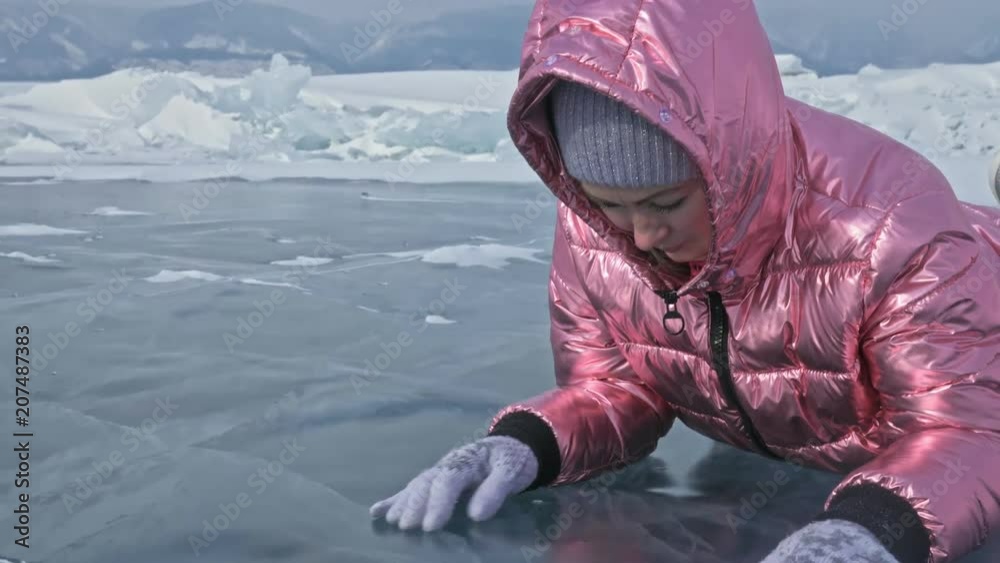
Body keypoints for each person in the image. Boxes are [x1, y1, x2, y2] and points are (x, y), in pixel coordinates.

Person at [370, 0, 1000, 562]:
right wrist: (524, 443)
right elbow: (617, 386)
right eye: (609, 204)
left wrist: (869, 532)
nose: (639, 237)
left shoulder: (892, 226)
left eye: (666, 204)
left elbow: (970, 430)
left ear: (730, 168)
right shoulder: (595, 228)